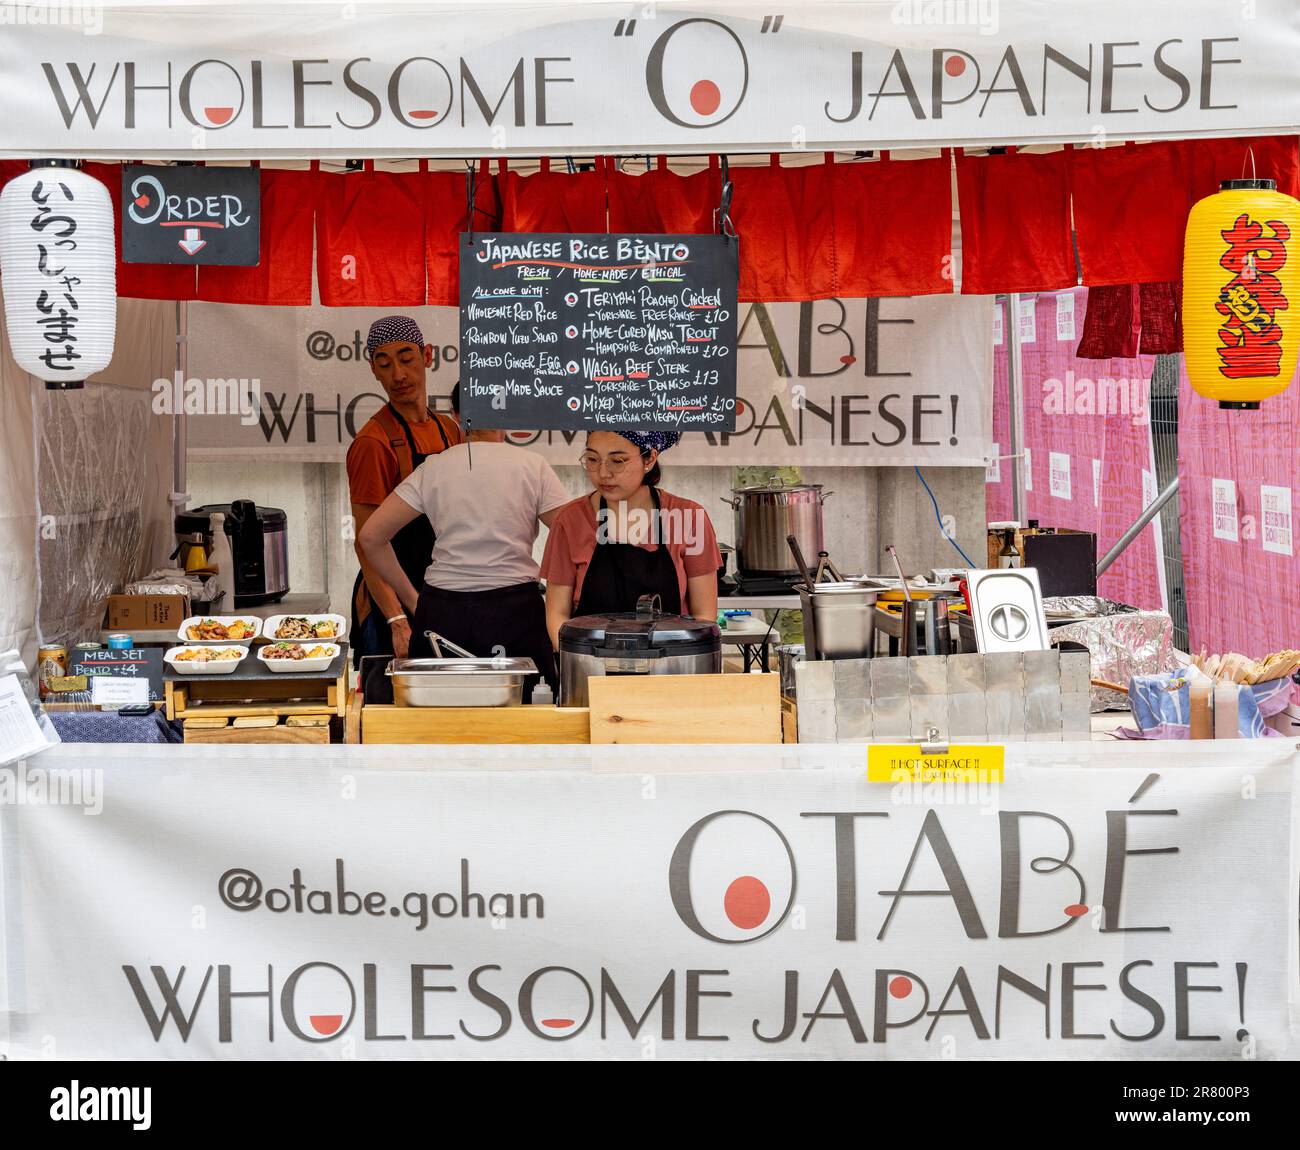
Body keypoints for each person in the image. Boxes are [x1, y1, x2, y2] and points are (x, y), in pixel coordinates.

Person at [357, 385, 571, 696]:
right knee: (525, 721)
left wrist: (412, 600)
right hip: (515, 609)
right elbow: (573, 537)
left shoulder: (434, 468)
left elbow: (370, 536)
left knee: (442, 722)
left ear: (456, 416)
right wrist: (559, 597)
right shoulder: (532, 466)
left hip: (443, 611)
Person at [346, 315, 463, 665]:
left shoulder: (450, 430)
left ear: (427, 356)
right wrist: (397, 618)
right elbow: (366, 541)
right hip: (392, 606)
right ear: (373, 370)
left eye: (407, 358)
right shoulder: (373, 442)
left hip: (439, 595)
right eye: (385, 364)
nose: (398, 374)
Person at [542, 429, 721, 645]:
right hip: (591, 666)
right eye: (592, 459)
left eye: (617, 461)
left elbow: (704, 616)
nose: (603, 473)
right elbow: (556, 614)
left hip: (671, 666)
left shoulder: (690, 517)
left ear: (650, 458)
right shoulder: (570, 521)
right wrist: (576, 661)